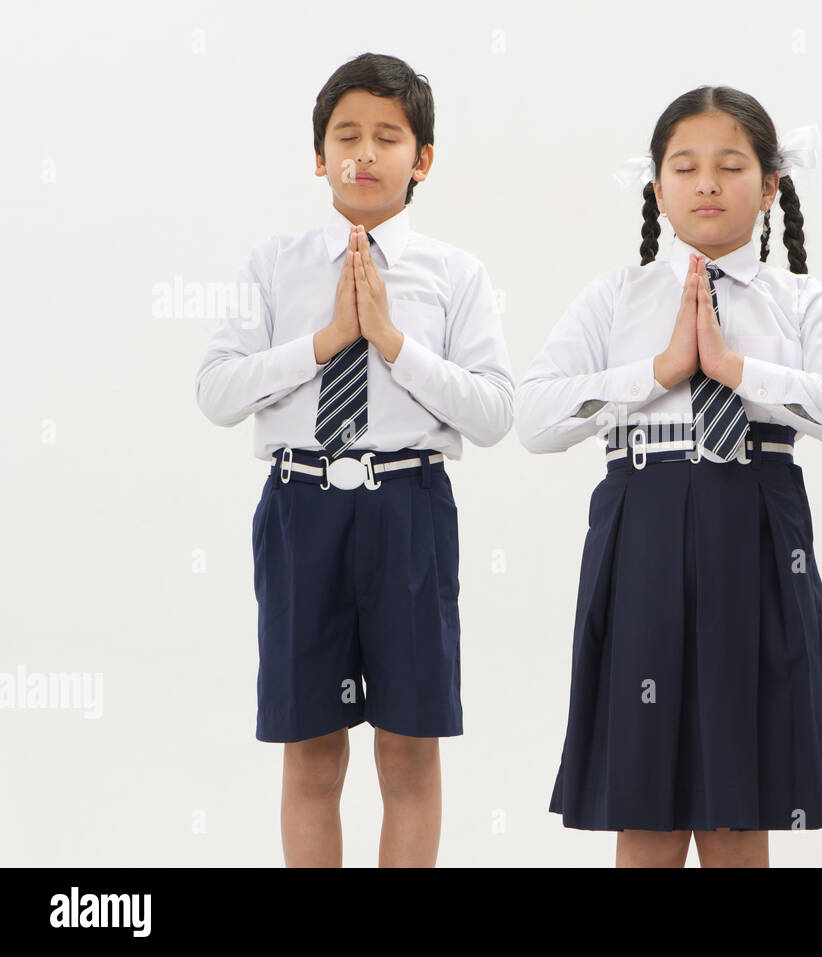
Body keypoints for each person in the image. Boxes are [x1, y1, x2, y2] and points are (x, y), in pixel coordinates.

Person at [515, 86, 822, 867]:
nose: (708, 183)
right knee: (645, 802)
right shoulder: (617, 296)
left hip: (756, 529)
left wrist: (738, 370)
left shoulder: (800, 300)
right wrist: (656, 372)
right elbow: (536, 417)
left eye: (731, 165)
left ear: (772, 184)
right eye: (685, 167)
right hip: (641, 528)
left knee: (739, 799)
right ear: (658, 187)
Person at [194, 53, 514, 866]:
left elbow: (494, 411)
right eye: (346, 136)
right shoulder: (275, 265)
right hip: (303, 509)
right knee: (311, 745)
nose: (364, 154)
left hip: (408, 510)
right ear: (318, 156)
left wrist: (393, 342)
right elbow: (218, 390)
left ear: (423, 159)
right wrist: (326, 341)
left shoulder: (456, 275)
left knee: (408, 746)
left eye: (387, 137)